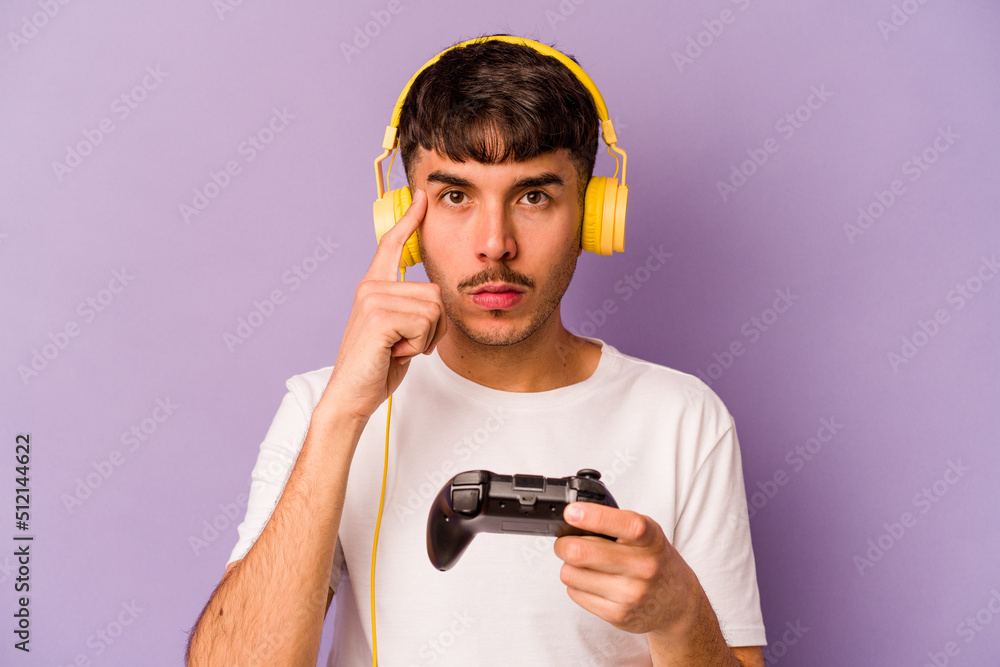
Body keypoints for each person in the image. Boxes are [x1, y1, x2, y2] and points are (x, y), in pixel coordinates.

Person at [186, 34, 767, 666]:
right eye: (456, 196)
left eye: (533, 196)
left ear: (593, 215)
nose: (495, 243)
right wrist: (342, 416)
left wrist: (680, 616)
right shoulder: (322, 410)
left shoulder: (684, 418)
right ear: (403, 220)